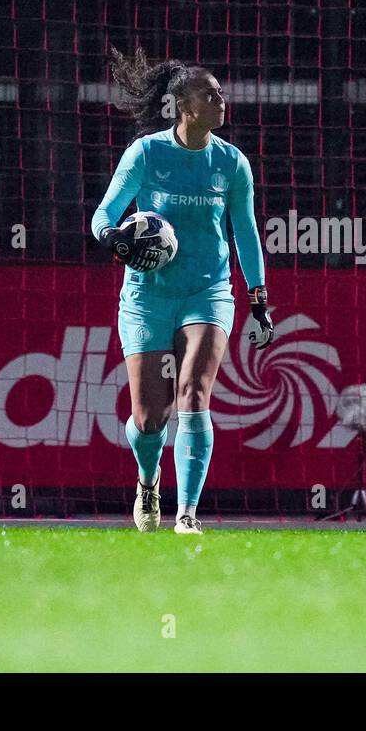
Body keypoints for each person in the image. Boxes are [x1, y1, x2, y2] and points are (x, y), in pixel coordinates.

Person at [91, 47, 272, 535]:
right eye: (209, 94)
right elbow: (103, 215)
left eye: (221, 94)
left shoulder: (232, 164)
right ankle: (147, 481)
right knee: (150, 418)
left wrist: (258, 299)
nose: (221, 101)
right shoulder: (148, 153)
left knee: (194, 393)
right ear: (183, 105)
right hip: (149, 294)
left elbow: (247, 234)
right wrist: (115, 239)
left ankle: (187, 514)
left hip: (208, 291)